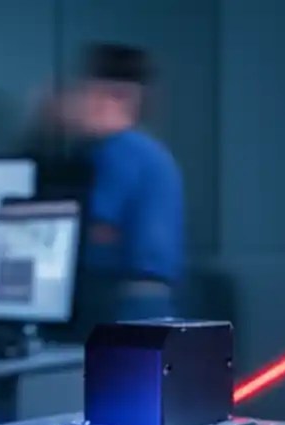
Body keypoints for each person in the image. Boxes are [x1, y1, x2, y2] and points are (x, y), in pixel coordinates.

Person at [63, 44, 186, 326]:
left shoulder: (119, 151)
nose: (79, 107)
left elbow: (100, 228)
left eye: (86, 95)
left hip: (129, 300)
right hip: (155, 297)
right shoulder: (149, 151)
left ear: (116, 98)